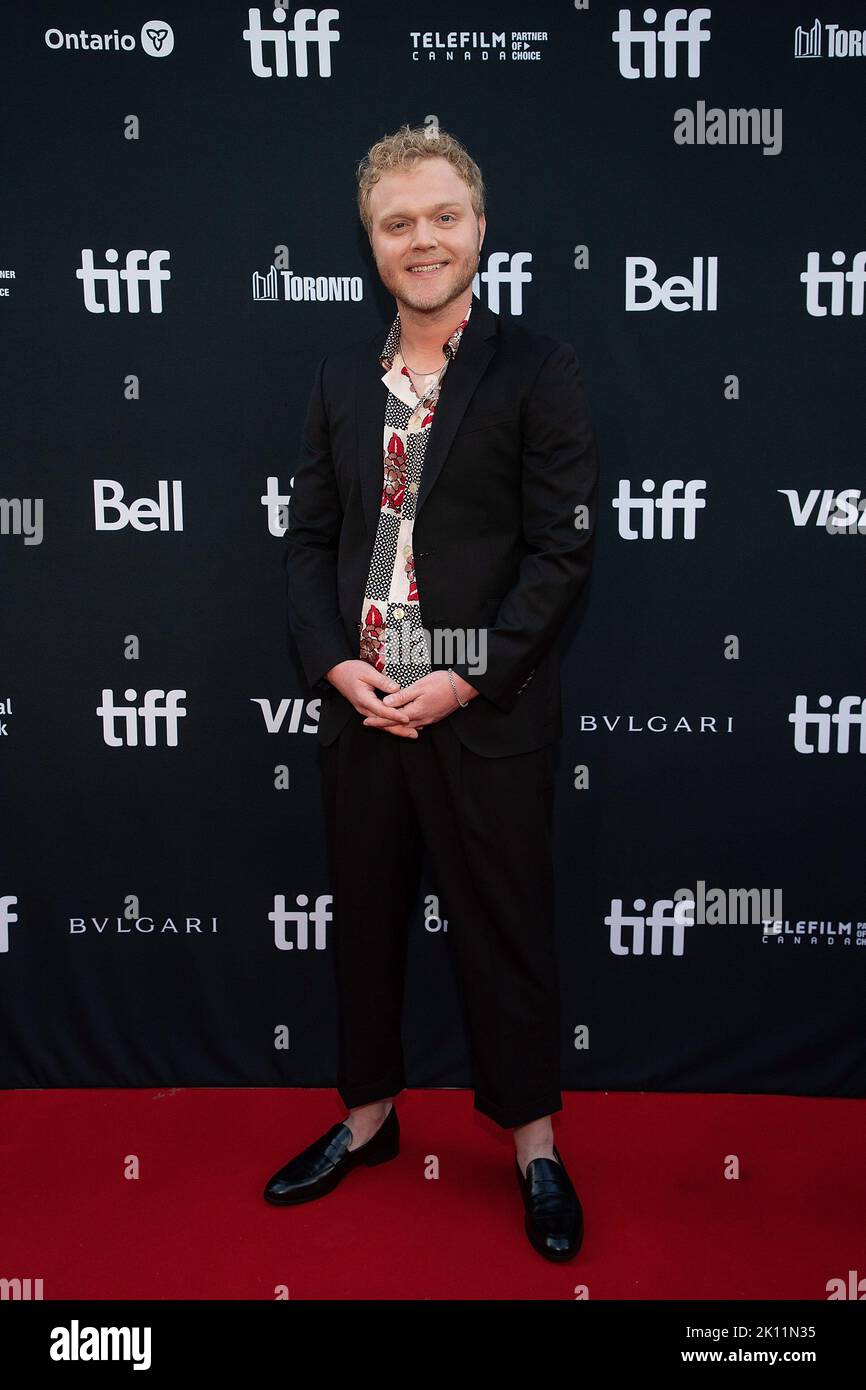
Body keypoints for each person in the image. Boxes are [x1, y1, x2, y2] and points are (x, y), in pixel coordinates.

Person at [264, 123, 600, 1262]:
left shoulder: (535, 369)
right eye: (397, 221)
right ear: (369, 240)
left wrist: (467, 671)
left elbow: (560, 553)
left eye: (441, 216)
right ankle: (366, 1120)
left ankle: (534, 1147)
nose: (422, 239)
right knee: (361, 923)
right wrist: (331, 661)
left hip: (482, 706)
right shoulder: (337, 382)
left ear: (479, 228)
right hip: (360, 704)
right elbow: (309, 543)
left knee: (505, 932)